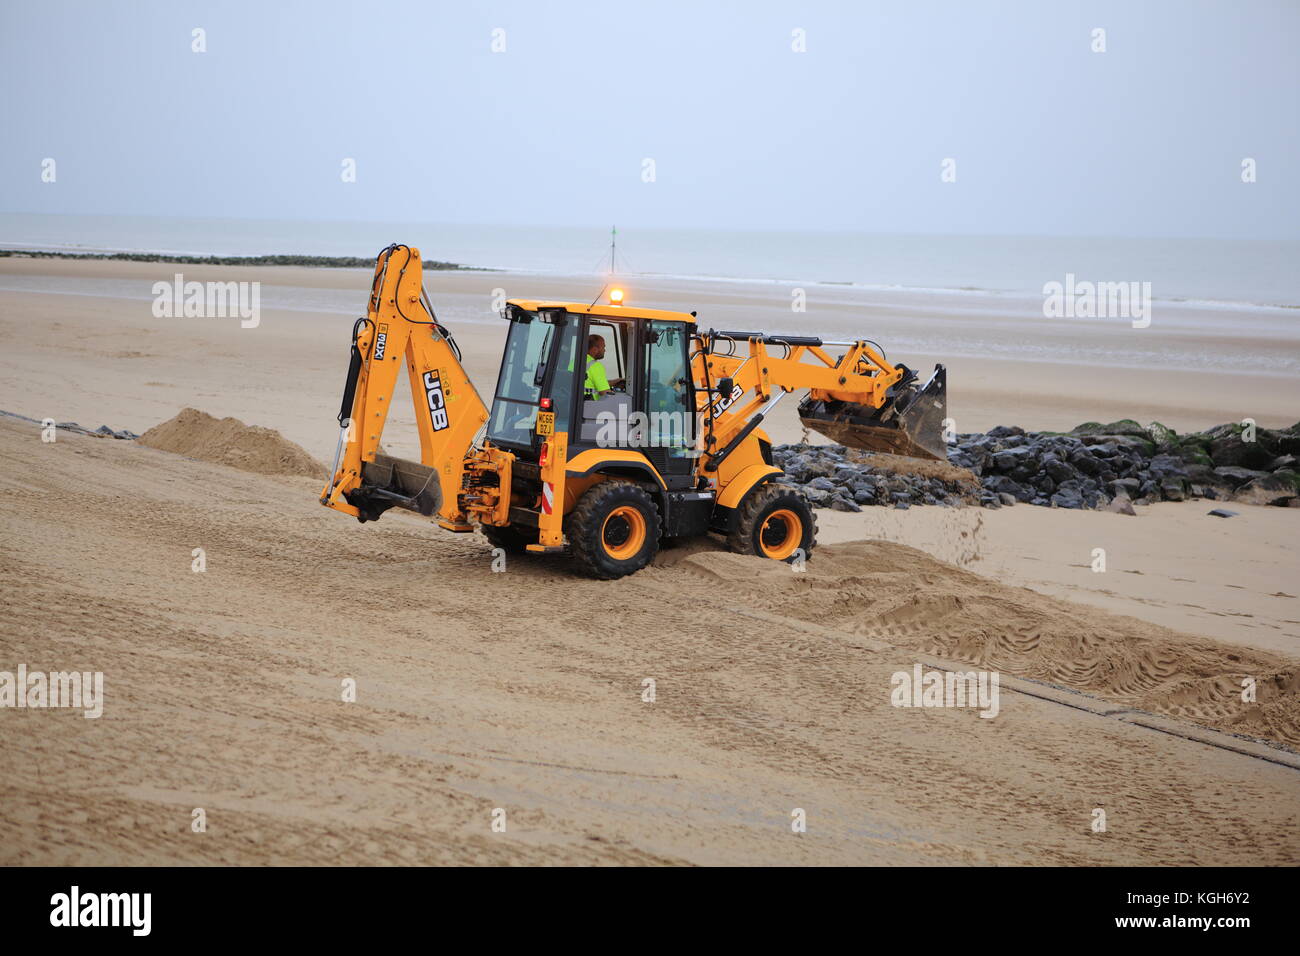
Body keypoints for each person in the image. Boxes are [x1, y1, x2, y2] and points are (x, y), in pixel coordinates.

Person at [584, 334, 624, 398]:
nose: (604, 350)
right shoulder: (595, 366)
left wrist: (615, 381)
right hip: (590, 405)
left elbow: (591, 383)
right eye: (603, 347)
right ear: (595, 349)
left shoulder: (575, 362)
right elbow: (606, 393)